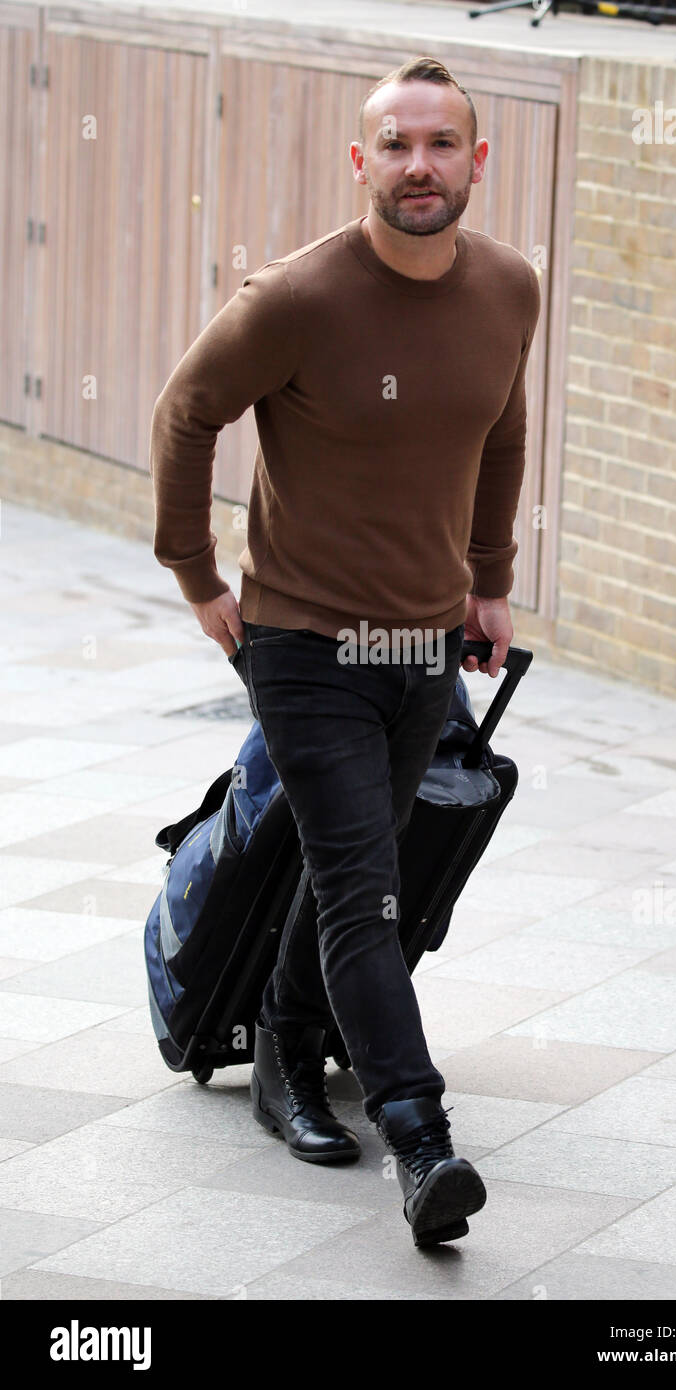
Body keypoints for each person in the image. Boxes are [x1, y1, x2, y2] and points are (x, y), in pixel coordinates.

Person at [149, 54, 540, 1248]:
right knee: (366, 887)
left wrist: (485, 582)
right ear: (359, 159)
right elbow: (185, 410)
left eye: (439, 145)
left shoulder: (507, 287)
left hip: (420, 638)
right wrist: (199, 575)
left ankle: (278, 1054)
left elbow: (502, 424)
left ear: (475, 159)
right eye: (394, 144)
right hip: (304, 640)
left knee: (338, 871)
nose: (415, 166)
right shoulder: (299, 297)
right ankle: (420, 1141)